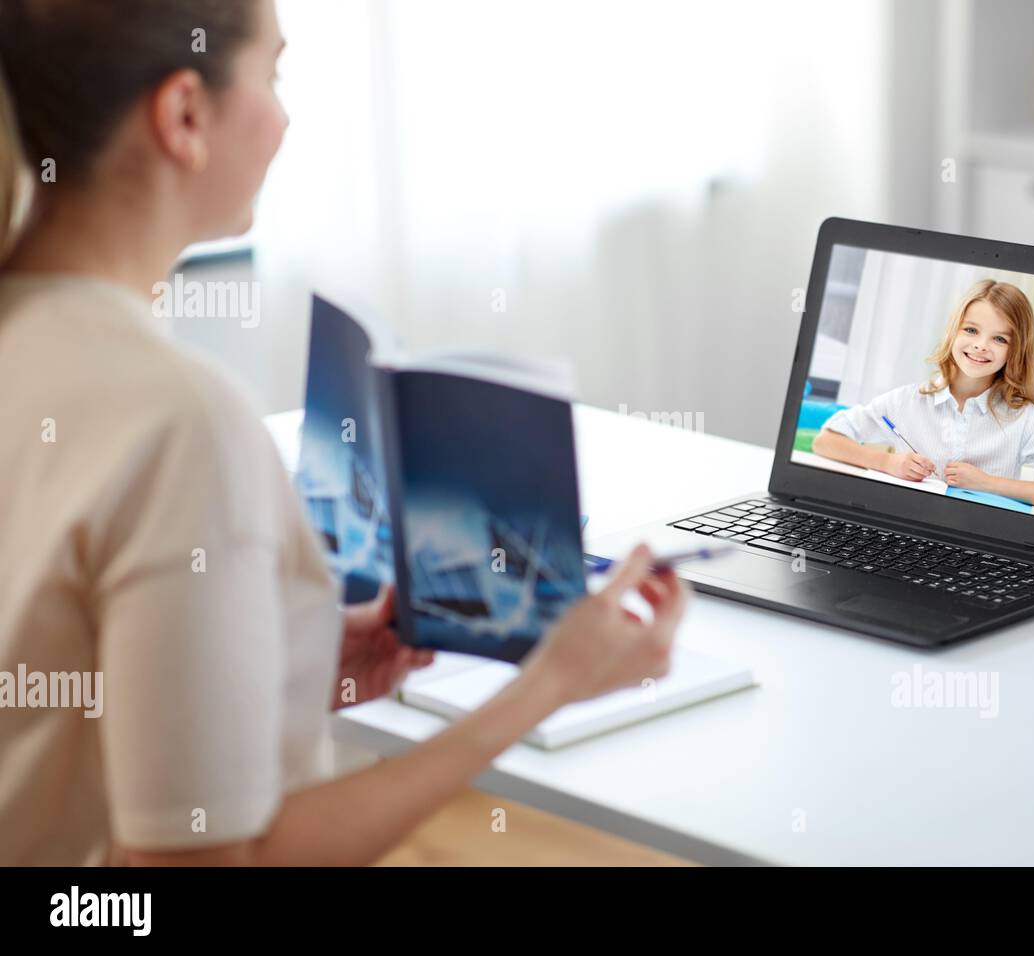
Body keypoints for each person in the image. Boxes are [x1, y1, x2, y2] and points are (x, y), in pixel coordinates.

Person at [0, 0, 685, 866]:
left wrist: (294, 672)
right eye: (273, 74)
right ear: (183, 115)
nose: (285, 117)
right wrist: (549, 685)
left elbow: (56, 713)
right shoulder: (181, 423)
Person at [811, 279, 1034, 514]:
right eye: (971, 330)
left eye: (1000, 339)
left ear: (1015, 350)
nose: (981, 346)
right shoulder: (908, 400)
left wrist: (988, 483)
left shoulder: (1025, 419)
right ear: (953, 332)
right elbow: (826, 441)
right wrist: (889, 463)